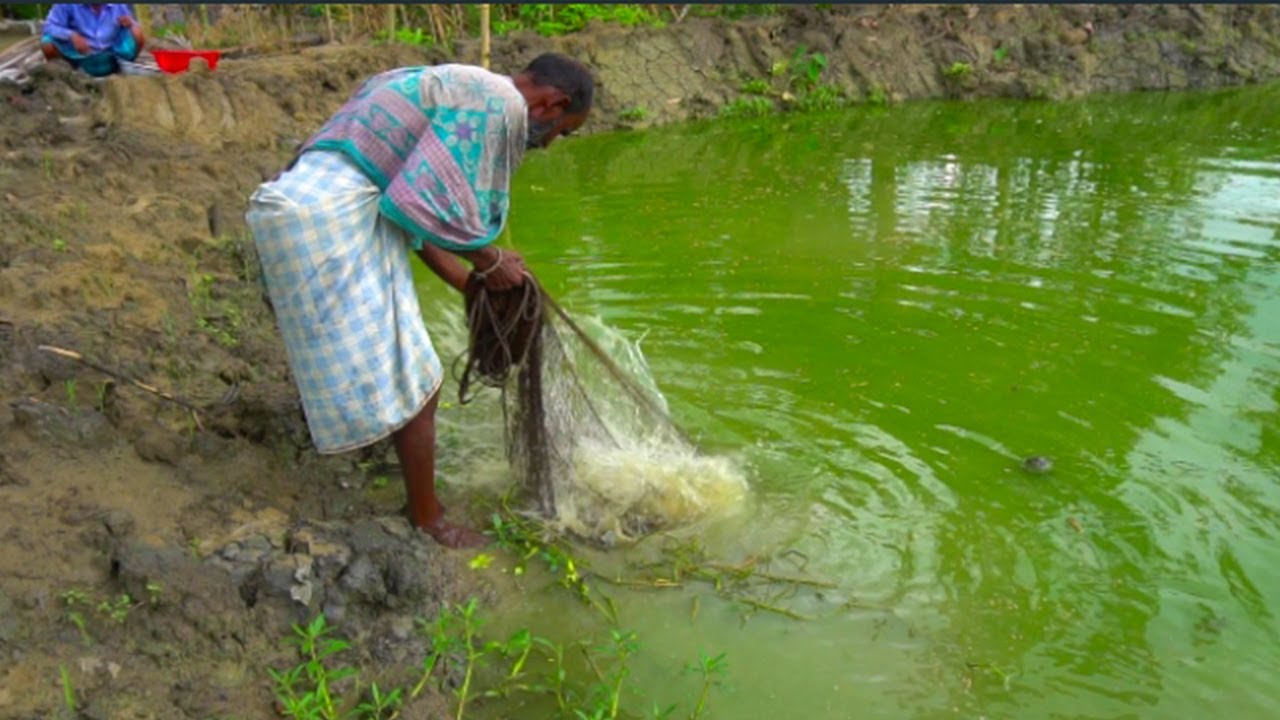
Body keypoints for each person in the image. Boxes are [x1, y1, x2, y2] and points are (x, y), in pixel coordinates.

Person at [245, 54, 593, 548]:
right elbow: (418, 205)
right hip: (326, 219)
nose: (550, 143)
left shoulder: (446, 83)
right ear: (551, 105)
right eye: (563, 131)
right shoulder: (497, 103)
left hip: (295, 209)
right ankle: (427, 519)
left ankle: (382, 449)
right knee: (420, 383)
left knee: (393, 361)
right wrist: (489, 260)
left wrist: (472, 283)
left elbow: (407, 213)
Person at [40, 3, 145, 77]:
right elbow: (48, 26)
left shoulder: (118, 5)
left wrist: (129, 22)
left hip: (110, 56)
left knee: (137, 33)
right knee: (47, 44)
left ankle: (123, 68)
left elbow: (132, 24)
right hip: (79, 58)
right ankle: (66, 76)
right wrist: (71, 35)